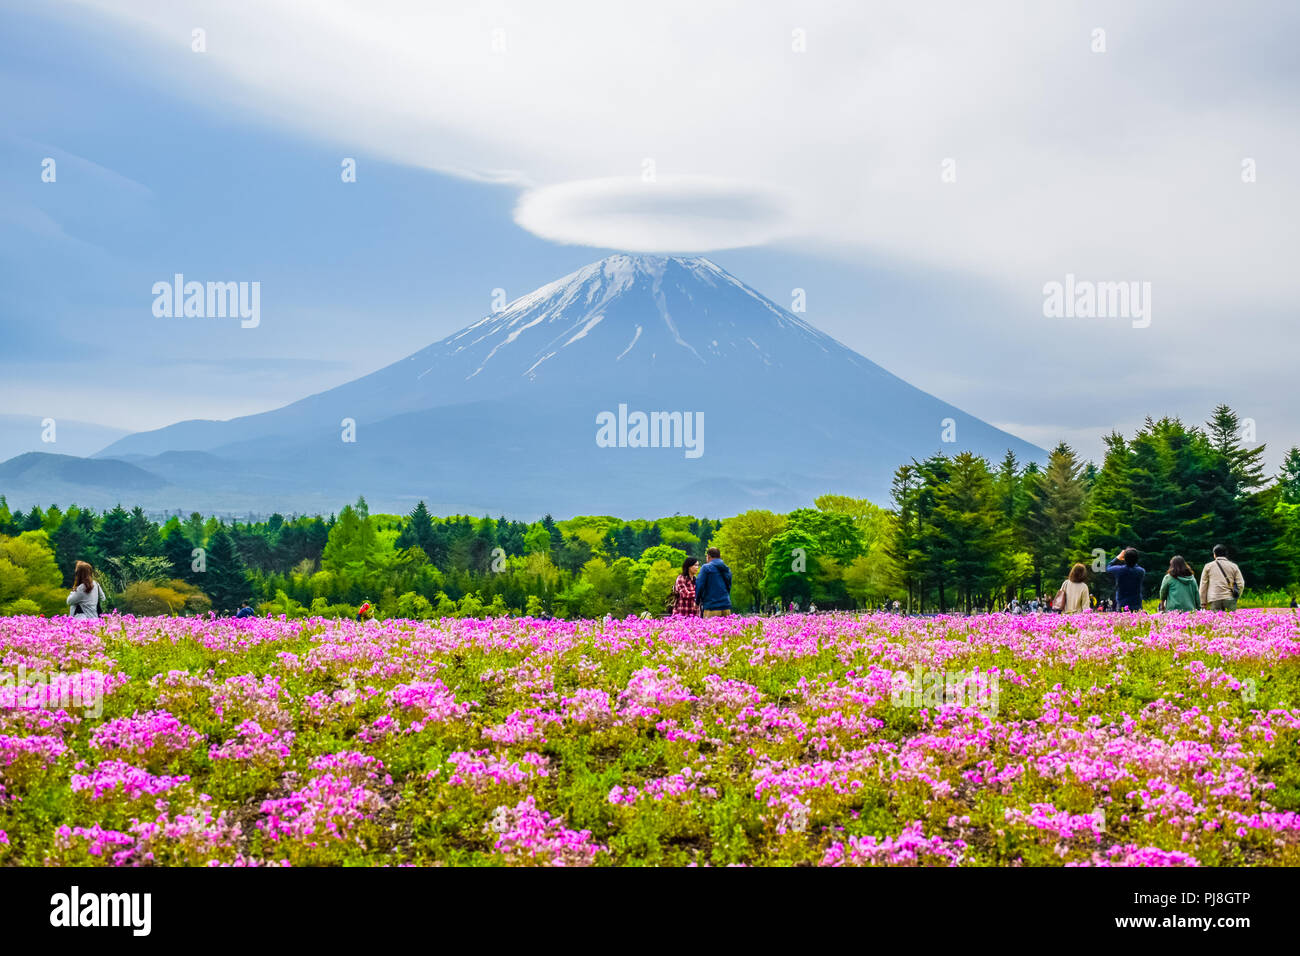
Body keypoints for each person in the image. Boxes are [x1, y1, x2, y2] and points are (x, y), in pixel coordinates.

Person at [1199, 544, 1245, 611]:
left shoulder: (1208, 566)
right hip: (1229, 597)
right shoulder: (1233, 566)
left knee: (1217, 621)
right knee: (1230, 620)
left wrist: (1203, 602)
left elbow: (1203, 585)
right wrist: (1237, 595)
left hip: (1214, 598)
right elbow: (1241, 584)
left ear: (1214, 554)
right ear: (1226, 554)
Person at [695, 546, 732, 617]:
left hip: (711, 607)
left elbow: (700, 585)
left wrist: (697, 601)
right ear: (719, 556)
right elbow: (729, 586)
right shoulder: (726, 569)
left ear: (708, 556)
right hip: (726, 606)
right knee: (726, 628)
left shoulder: (706, 568)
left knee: (710, 628)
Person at [1107, 547, 1146, 612]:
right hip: (1136, 604)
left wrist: (1118, 558)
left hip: (1122, 603)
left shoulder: (1119, 570)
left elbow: (1108, 567)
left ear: (1125, 559)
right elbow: (1135, 565)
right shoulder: (1141, 571)